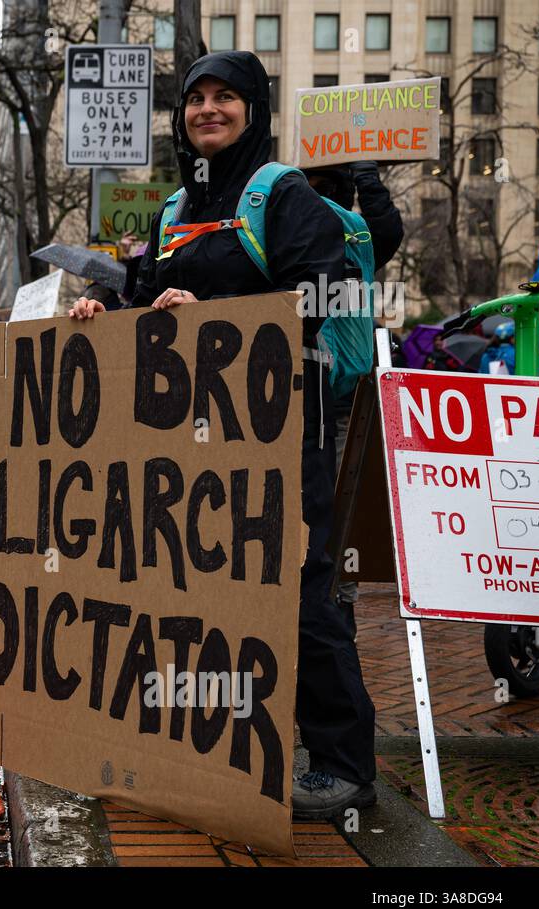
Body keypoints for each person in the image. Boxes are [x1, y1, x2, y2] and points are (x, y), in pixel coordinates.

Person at [69, 50, 377, 820]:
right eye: (196, 98)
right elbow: (147, 299)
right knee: (198, 586)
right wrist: (105, 312)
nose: (208, 109)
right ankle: (214, 746)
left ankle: (344, 766)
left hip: (282, 430)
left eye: (226, 97)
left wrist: (215, 319)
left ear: (253, 110)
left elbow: (324, 293)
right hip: (193, 438)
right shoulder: (175, 209)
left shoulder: (285, 194)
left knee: (297, 587)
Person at [306, 161, 404, 632]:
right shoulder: (354, 237)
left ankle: (332, 607)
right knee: (333, 511)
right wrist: (368, 177)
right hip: (332, 400)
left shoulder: (342, 236)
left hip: (322, 401)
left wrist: (365, 176)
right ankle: (334, 607)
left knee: (326, 509)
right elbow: (389, 228)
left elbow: (386, 230)